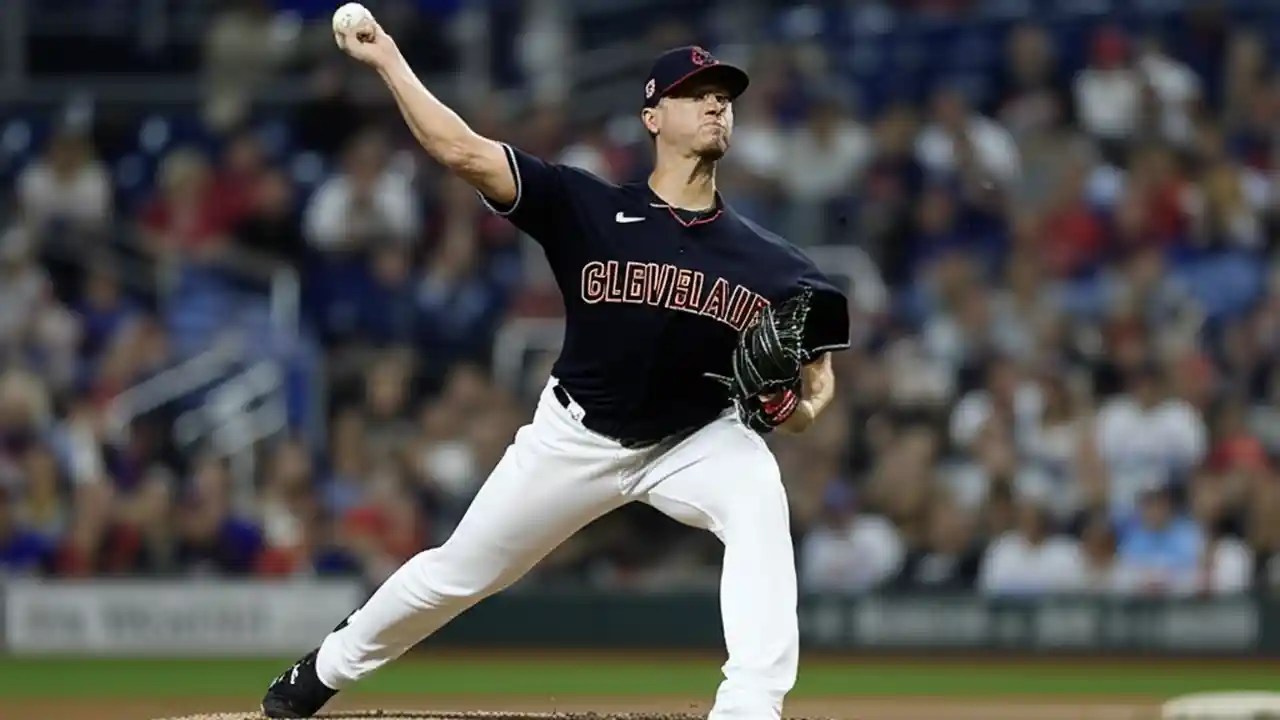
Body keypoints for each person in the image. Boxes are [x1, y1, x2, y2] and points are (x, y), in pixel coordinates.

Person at [261, 17, 850, 720]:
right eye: (697, 94)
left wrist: (804, 411)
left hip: (693, 438)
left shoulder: (776, 264)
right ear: (652, 116)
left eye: (724, 94)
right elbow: (457, 148)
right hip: (574, 436)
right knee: (457, 574)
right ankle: (324, 669)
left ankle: (749, 708)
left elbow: (818, 369)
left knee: (759, 496)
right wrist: (389, 58)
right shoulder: (589, 205)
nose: (717, 104)